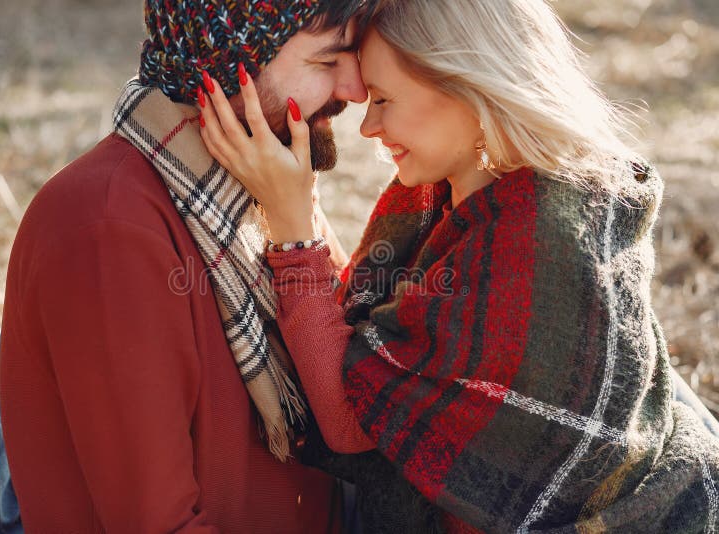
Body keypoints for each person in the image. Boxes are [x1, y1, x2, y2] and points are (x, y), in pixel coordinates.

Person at [198, 0, 719, 532]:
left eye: (383, 99)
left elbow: (350, 421)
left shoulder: (544, 241)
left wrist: (294, 238)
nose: (368, 126)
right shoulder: (445, 197)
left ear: (467, 90)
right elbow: (377, 351)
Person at [0, 1, 375, 532]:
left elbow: (350, 394)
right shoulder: (105, 227)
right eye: (327, 62)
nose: (356, 91)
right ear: (226, 64)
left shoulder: (262, 190)